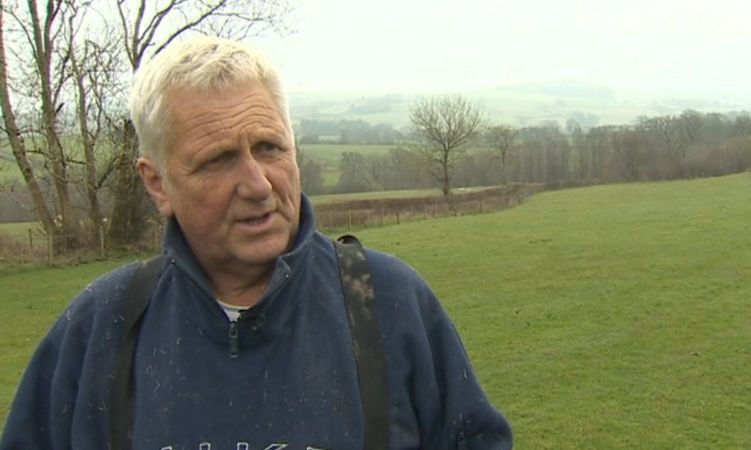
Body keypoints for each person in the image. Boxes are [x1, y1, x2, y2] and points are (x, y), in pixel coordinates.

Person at [0, 37, 512, 450]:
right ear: (157, 184)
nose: (258, 184)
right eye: (218, 159)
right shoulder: (99, 330)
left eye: (269, 148)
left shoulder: (389, 303)